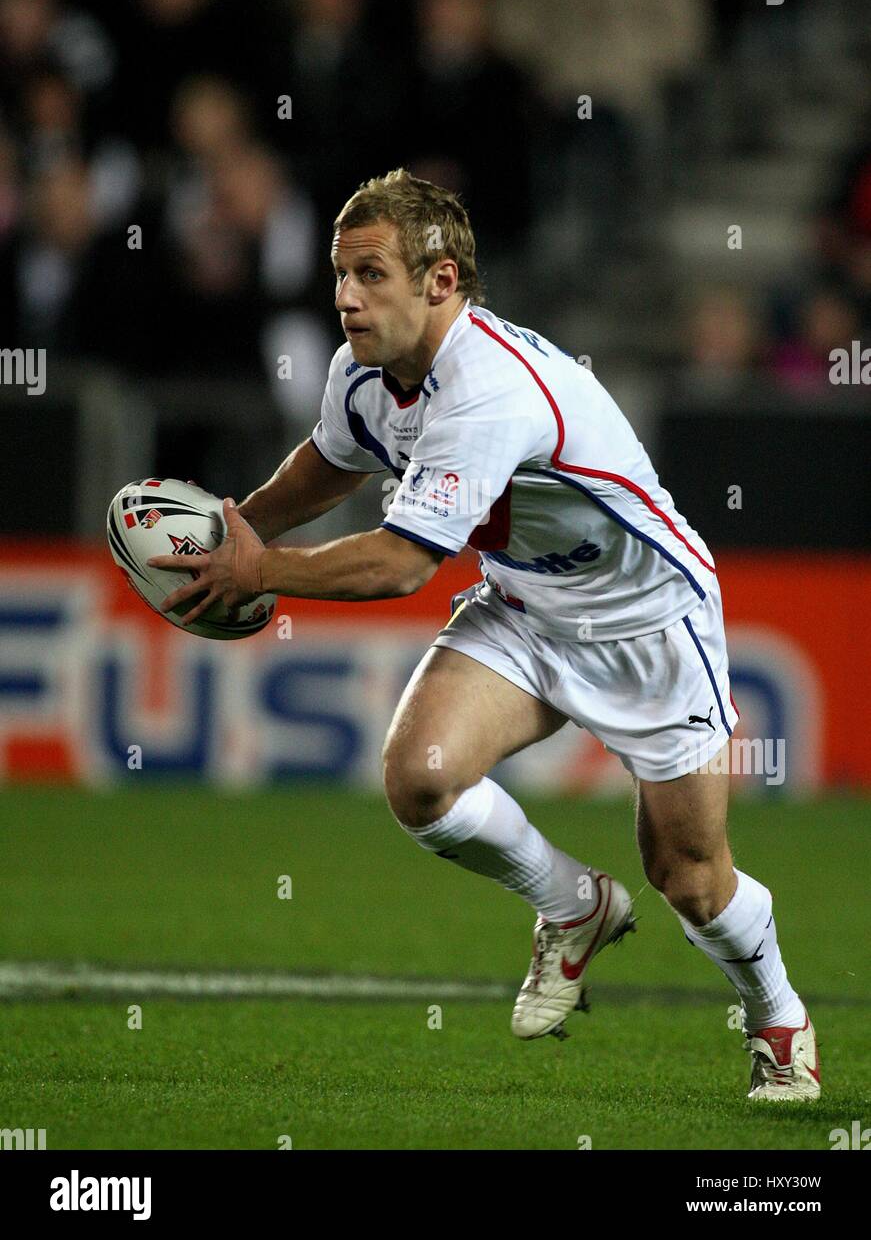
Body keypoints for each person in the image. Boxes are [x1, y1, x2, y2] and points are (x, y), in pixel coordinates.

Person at [148, 169, 820, 1102]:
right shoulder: (364, 373)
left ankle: (778, 1017)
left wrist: (257, 572)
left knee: (690, 878)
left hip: (646, 621)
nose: (346, 297)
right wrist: (240, 527)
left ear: (441, 281)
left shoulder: (486, 389)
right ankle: (571, 906)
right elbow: (330, 461)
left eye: (370, 275)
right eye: (340, 275)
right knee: (420, 777)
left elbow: (401, 564)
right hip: (525, 605)